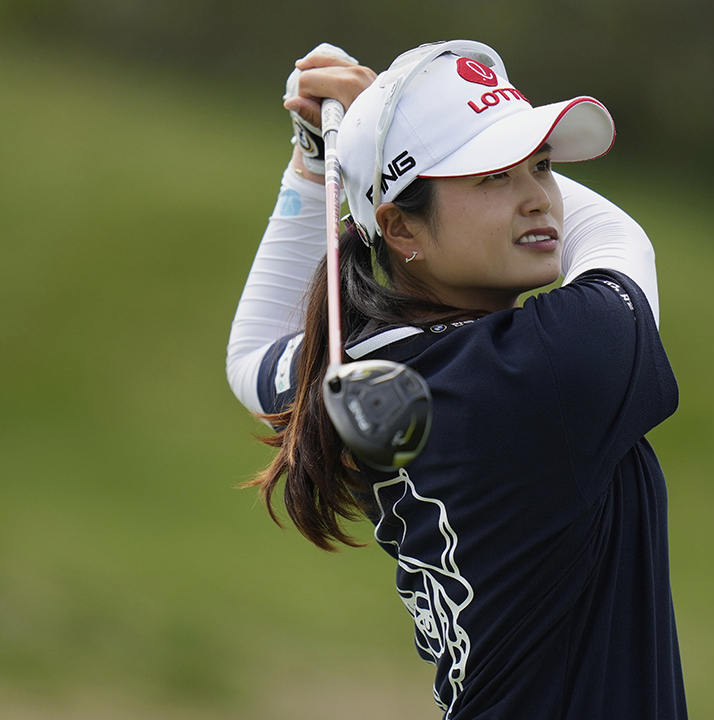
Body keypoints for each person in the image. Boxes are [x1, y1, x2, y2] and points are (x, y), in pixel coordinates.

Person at [226, 40, 685, 719]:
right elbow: (621, 242)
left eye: (542, 166)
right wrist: (372, 134)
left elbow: (252, 353)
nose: (539, 200)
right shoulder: (548, 369)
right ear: (401, 229)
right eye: (493, 176)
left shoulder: (372, 360)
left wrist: (328, 160)